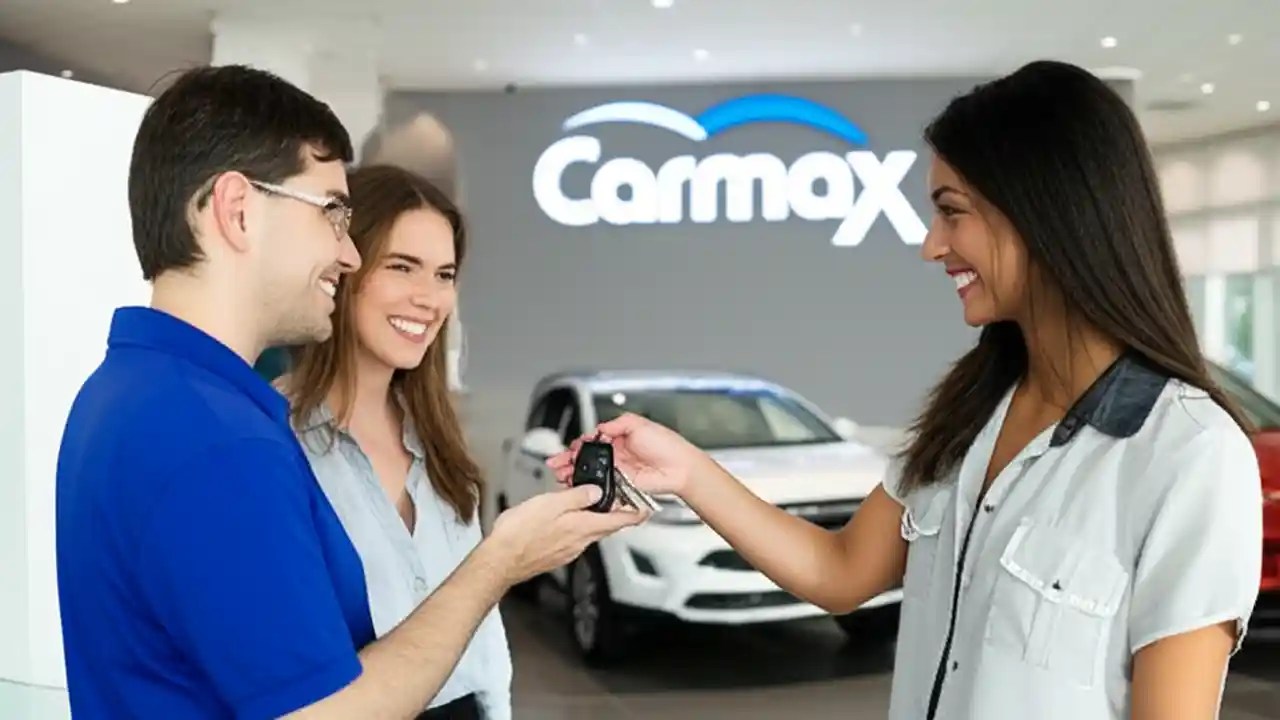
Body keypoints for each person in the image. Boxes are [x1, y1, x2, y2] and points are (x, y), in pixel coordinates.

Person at [549, 60, 1263, 720]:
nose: (932, 244)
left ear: (1047, 211)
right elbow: (841, 571)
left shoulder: (1188, 456)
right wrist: (688, 470)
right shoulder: (972, 409)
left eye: (953, 211)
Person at [55, 64, 644, 720]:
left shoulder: (132, 394)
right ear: (238, 210)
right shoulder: (217, 440)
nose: (348, 254)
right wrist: (499, 561)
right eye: (332, 214)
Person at [276, 164, 509, 720]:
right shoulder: (273, 437)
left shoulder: (440, 442)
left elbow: (486, 639)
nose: (428, 299)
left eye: (444, 274)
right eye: (403, 267)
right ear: (346, 266)